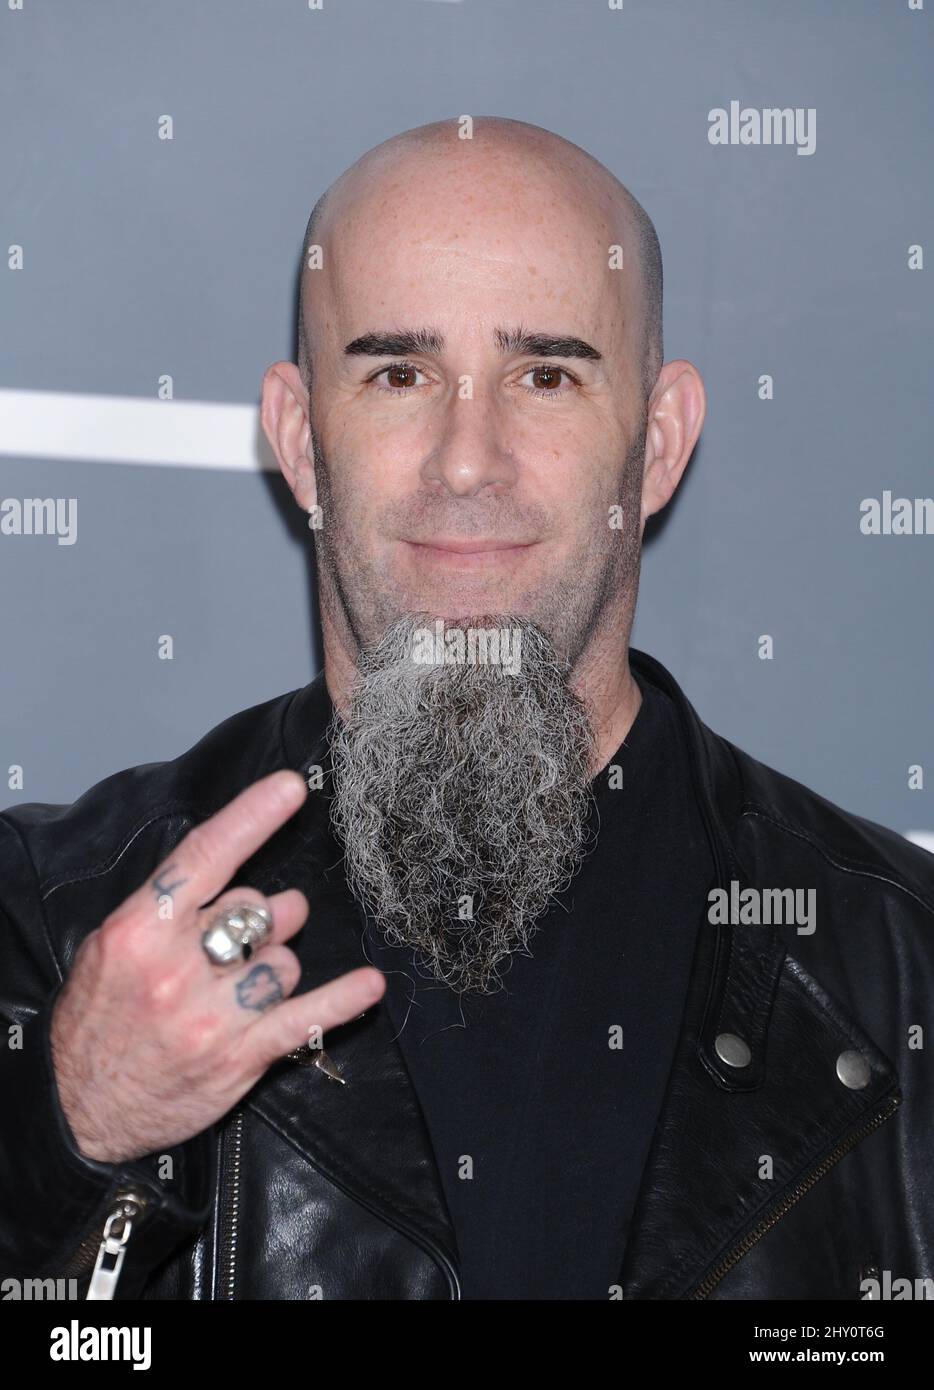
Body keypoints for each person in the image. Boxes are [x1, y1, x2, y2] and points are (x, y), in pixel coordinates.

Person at [1, 116, 931, 1302]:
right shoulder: (46, 926)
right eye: (399, 373)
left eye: (545, 374)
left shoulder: (903, 970)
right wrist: (63, 1129)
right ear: (298, 438)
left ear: (655, 443)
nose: (465, 460)